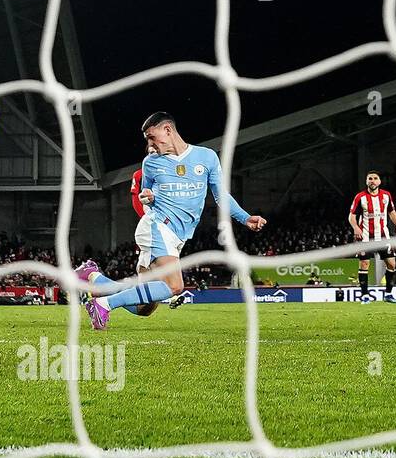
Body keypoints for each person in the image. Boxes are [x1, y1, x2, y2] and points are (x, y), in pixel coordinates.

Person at [74, 112, 266, 330]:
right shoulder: (151, 163)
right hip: (157, 226)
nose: (150, 144)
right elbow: (145, 195)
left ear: (167, 130)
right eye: (147, 140)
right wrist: (148, 198)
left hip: (177, 235)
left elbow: (221, 194)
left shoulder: (207, 157)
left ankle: (92, 275)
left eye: (151, 137)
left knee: (143, 308)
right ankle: (102, 305)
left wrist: (245, 217)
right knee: (175, 286)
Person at [347, 170, 396, 301]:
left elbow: (392, 212)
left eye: (375, 178)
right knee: (364, 264)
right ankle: (365, 295)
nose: (372, 181)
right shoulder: (360, 197)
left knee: (392, 264)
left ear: (379, 181)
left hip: (383, 236)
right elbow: (352, 216)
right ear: (366, 181)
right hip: (365, 237)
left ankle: (388, 294)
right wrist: (356, 227)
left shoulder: (386, 196)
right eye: (370, 178)